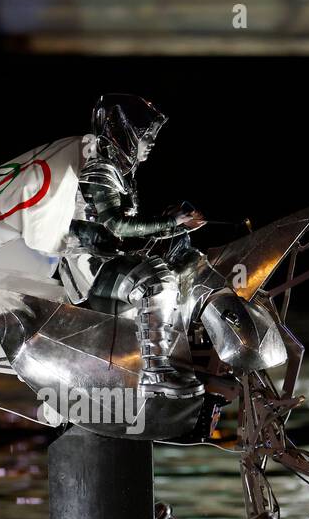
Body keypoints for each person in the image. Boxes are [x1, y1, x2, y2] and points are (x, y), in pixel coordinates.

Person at [61, 94, 206, 399]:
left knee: (182, 252)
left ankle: (180, 339)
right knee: (158, 279)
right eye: (145, 135)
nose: (151, 142)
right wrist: (171, 223)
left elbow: (126, 229)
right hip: (91, 267)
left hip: (110, 256)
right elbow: (116, 226)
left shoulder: (120, 171)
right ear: (124, 133)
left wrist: (172, 225)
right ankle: (155, 371)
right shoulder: (100, 170)